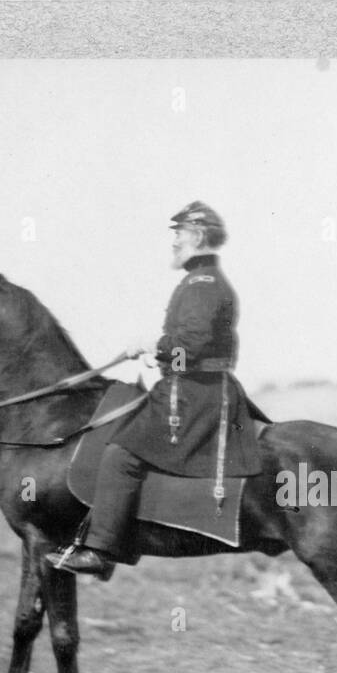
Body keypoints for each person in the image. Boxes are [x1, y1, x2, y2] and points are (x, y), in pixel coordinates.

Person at [47, 201, 266, 580]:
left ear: (198, 236)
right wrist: (161, 358)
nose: (174, 241)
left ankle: (100, 551)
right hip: (192, 386)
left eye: (179, 233)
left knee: (121, 455)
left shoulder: (202, 285)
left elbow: (190, 346)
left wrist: (155, 346)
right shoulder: (202, 281)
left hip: (195, 395)